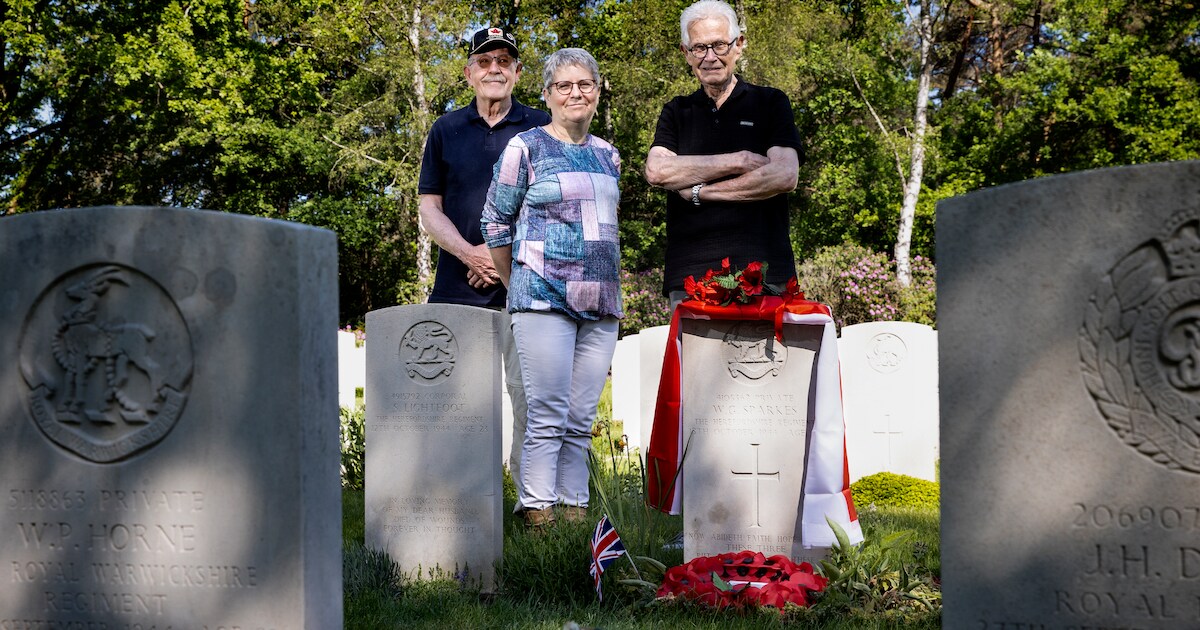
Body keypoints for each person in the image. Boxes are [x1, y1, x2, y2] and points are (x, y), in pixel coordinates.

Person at [481, 47, 623, 530]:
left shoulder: (609, 154)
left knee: (581, 419)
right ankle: (540, 518)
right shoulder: (525, 147)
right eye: (564, 86)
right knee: (546, 416)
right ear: (546, 95)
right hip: (541, 298)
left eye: (585, 84)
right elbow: (495, 221)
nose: (575, 93)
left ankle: (575, 519)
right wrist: (516, 281)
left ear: (598, 93)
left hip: (601, 301)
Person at [417, 26, 550, 490]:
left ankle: (530, 501)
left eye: (504, 61)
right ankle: (458, 497)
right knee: (451, 399)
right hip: (457, 285)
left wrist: (501, 259)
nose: (495, 68)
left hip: (525, 287)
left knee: (529, 396)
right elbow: (428, 206)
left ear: (516, 72)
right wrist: (470, 255)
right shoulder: (445, 129)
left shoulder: (540, 126)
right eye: (485, 60)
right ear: (469, 71)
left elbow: (553, 207)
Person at [643, 0, 803, 304]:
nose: (710, 57)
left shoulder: (769, 102)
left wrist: (699, 192)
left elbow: (784, 175)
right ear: (686, 54)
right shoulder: (677, 111)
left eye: (719, 45)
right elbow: (657, 171)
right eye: (699, 48)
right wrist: (739, 160)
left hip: (765, 273)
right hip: (691, 276)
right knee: (692, 355)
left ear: (739, 45)